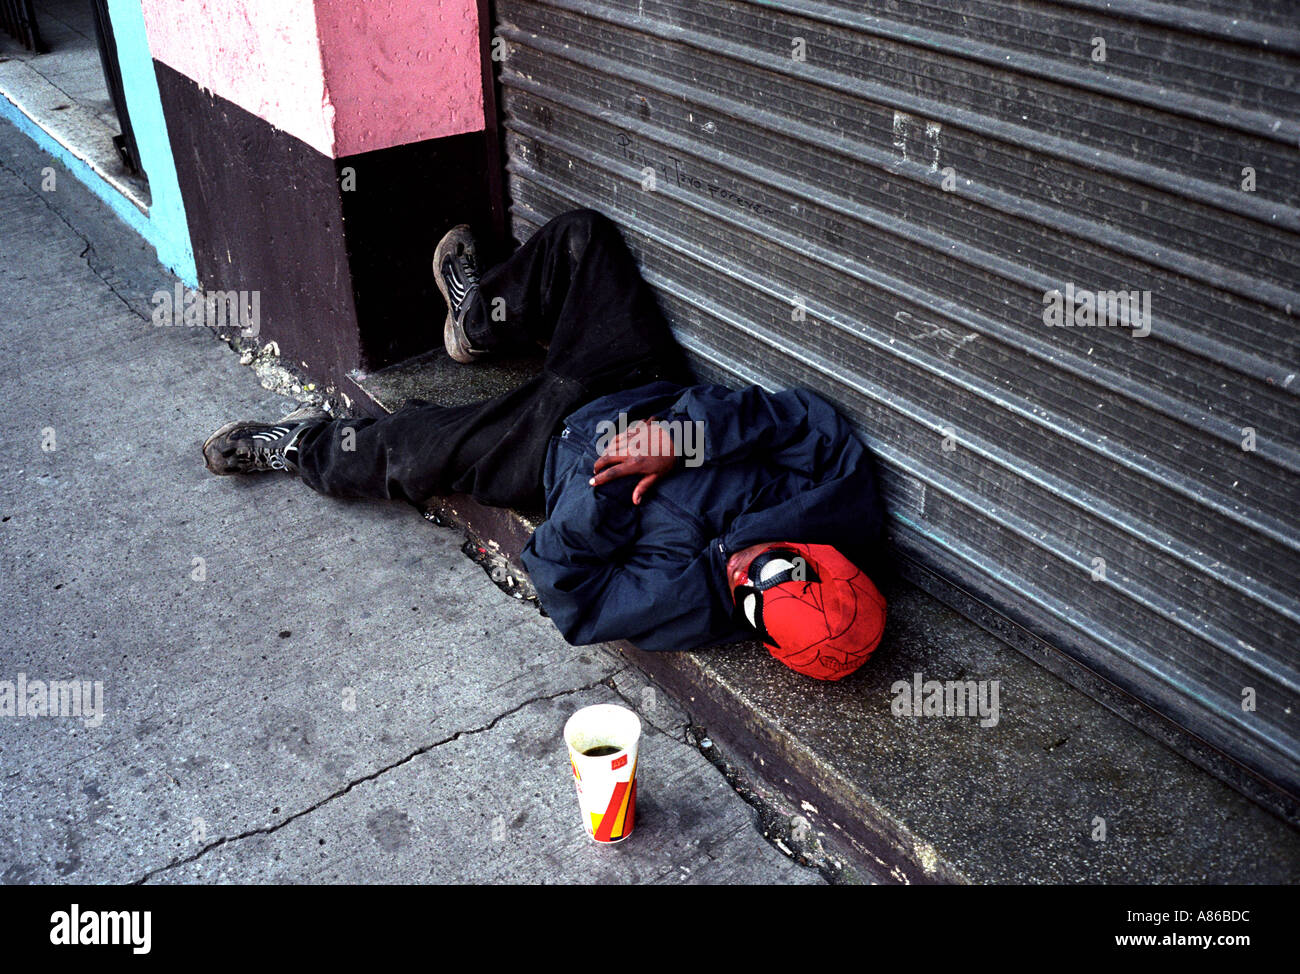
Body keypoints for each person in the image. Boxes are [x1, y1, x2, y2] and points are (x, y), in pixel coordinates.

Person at [202, 210, 887, 680]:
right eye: (776, 570)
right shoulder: (833, 504)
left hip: (544, 451)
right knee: (582, 240)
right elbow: (799, 418)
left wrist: (608, 486)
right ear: (820, 558)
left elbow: (566, 587)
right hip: (637, 384)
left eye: (753, 605)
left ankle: (301, 448)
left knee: (411, 447)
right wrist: (682, 438)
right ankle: (477, 319)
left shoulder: (692, 607)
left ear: (763, 637)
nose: (744, 574)